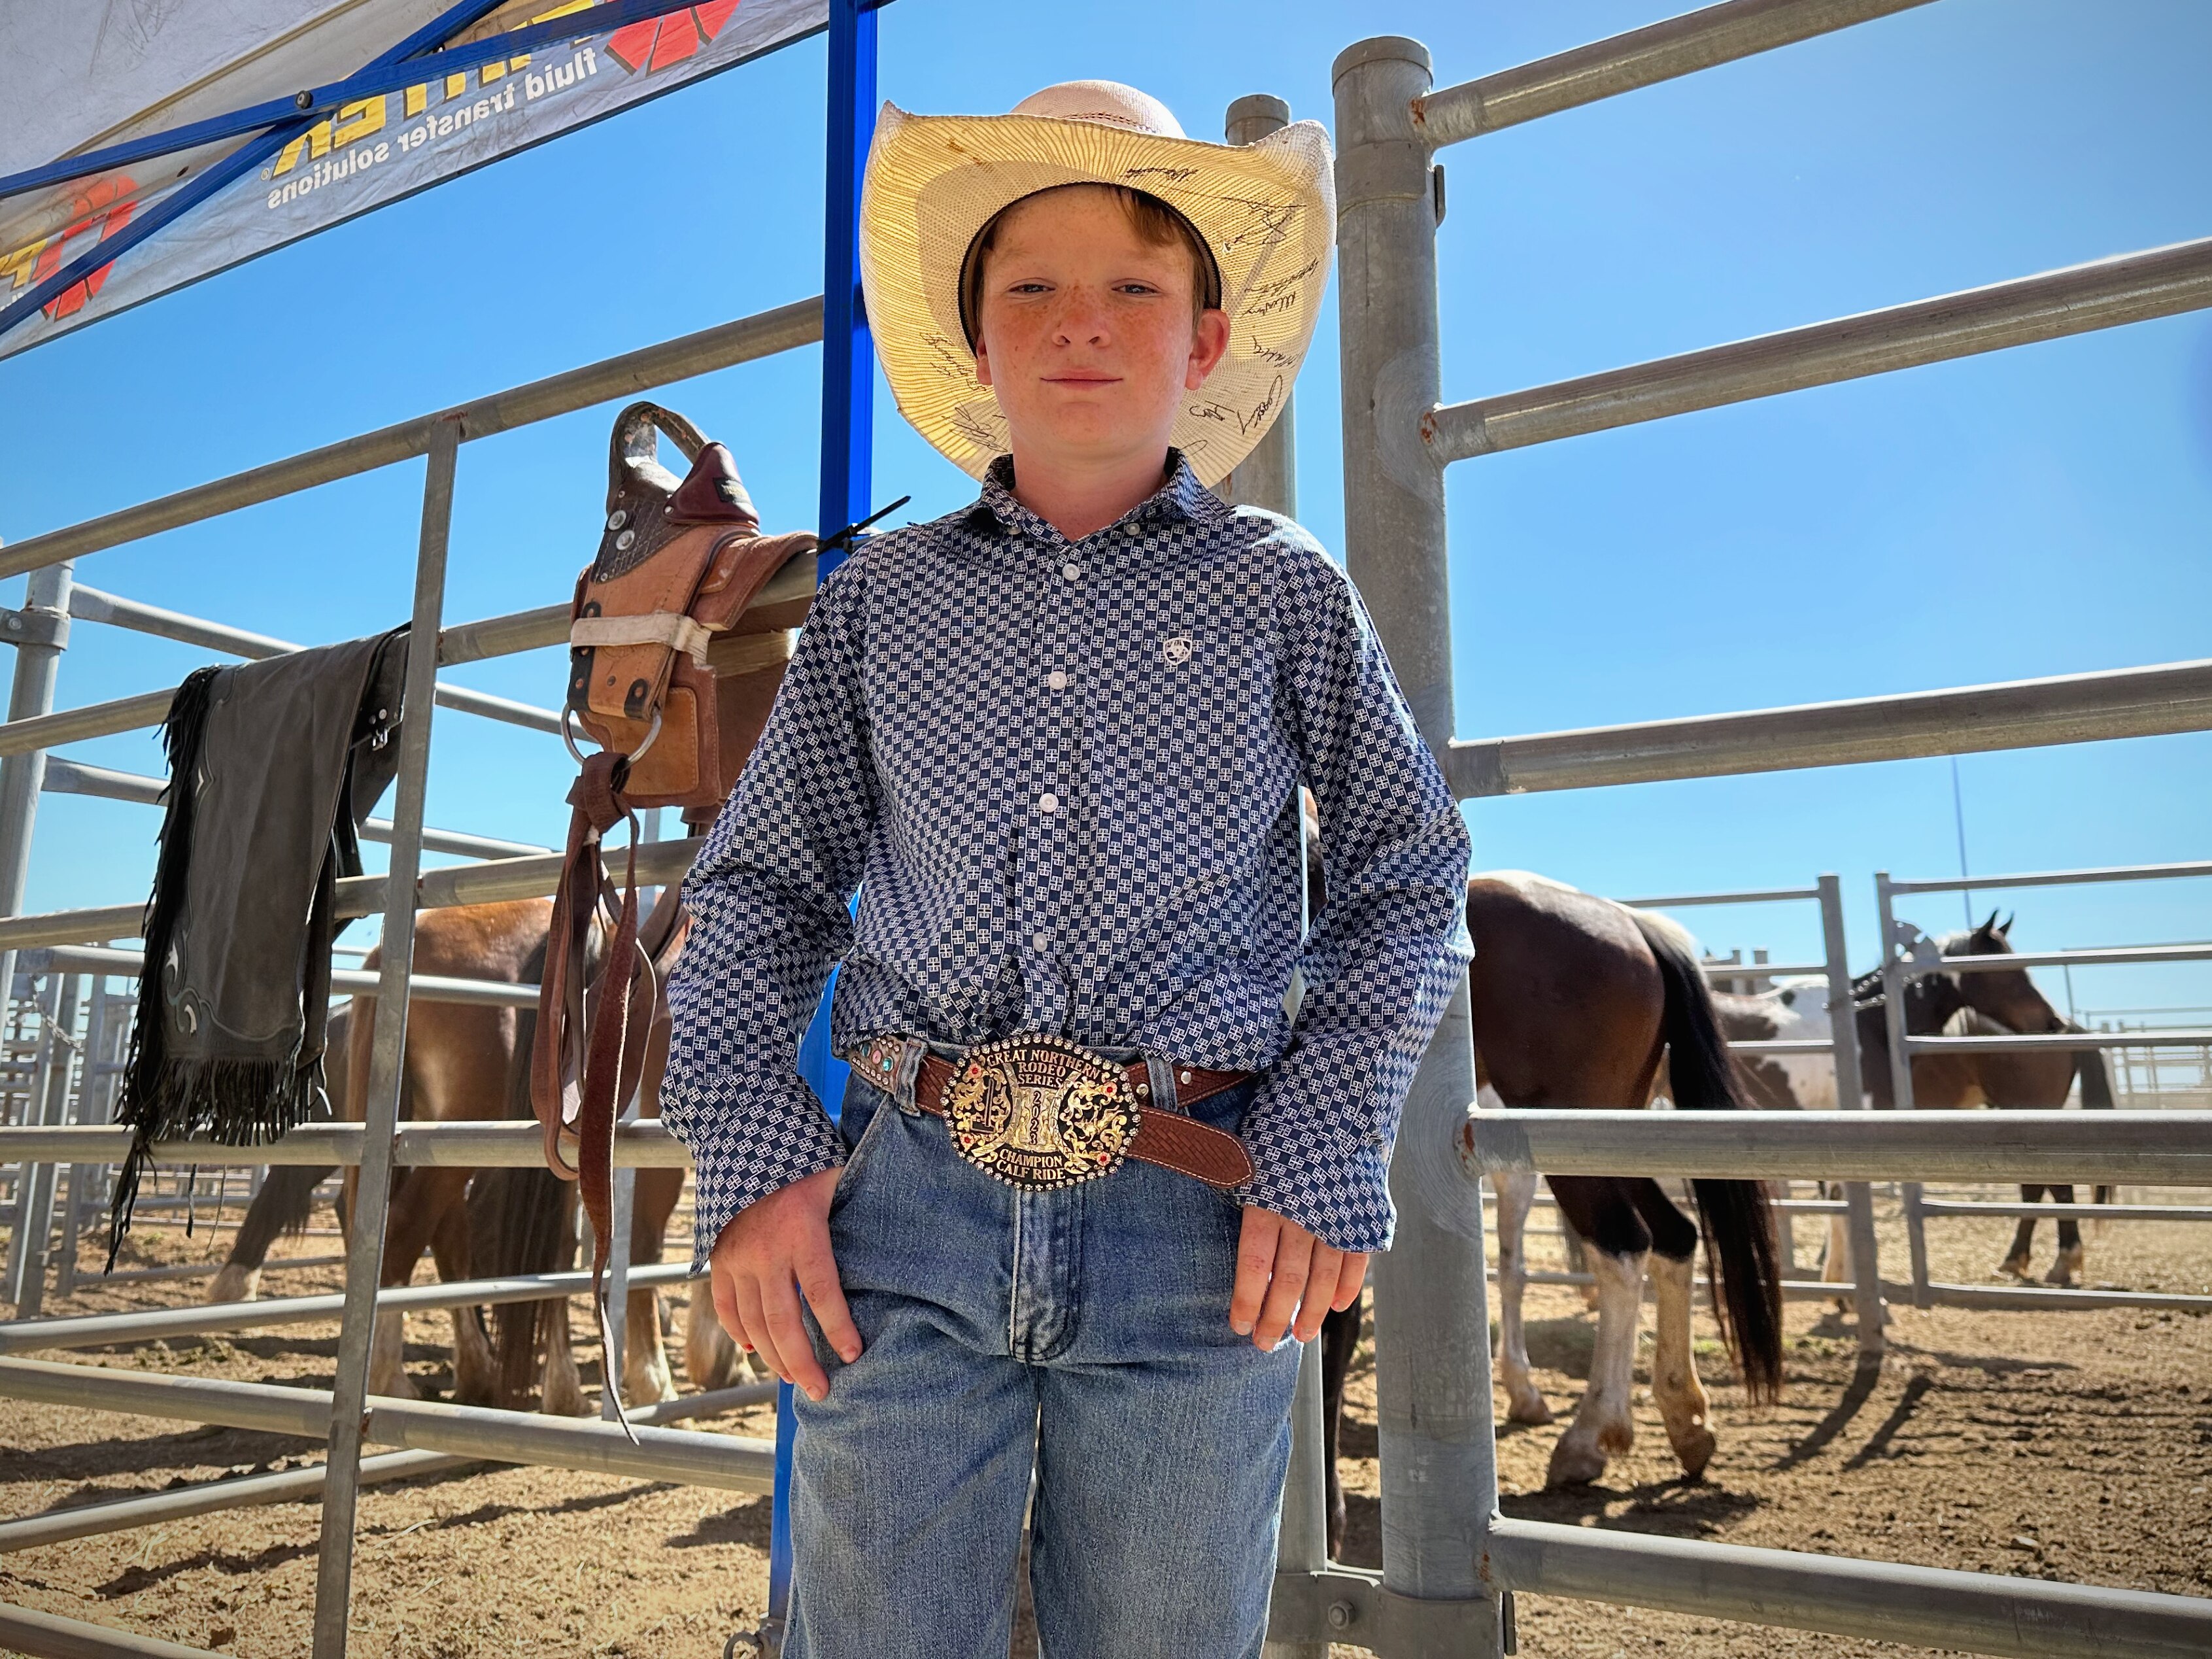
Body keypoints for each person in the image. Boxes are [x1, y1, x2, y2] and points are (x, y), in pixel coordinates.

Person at [660, 80, 1473, 1659]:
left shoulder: (1281, 590)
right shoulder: (878, 606)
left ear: (1207, 340)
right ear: (977, 346)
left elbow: (1406, 865)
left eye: (1134, 288)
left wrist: (1321, 1130)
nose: (1079, 322)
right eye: (1029, 286)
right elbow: (758, 892)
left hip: (1197, 1222)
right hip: (904, 1210)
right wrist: (759, 1166)